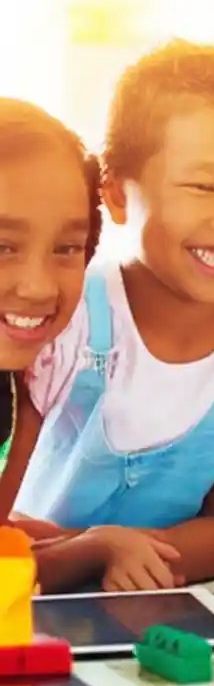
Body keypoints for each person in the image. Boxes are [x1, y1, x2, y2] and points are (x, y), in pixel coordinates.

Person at [9, 41, 214, 592]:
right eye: (201, 187)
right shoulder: (62, 313)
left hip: (169, 600)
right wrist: (94, 550)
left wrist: (125, 556)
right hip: (34, 595)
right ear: (116, 195)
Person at [0, 98, 102, 521]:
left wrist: (94, 547)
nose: (38, 287)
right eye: (2, 247)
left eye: (66, 249)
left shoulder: (16, 395)